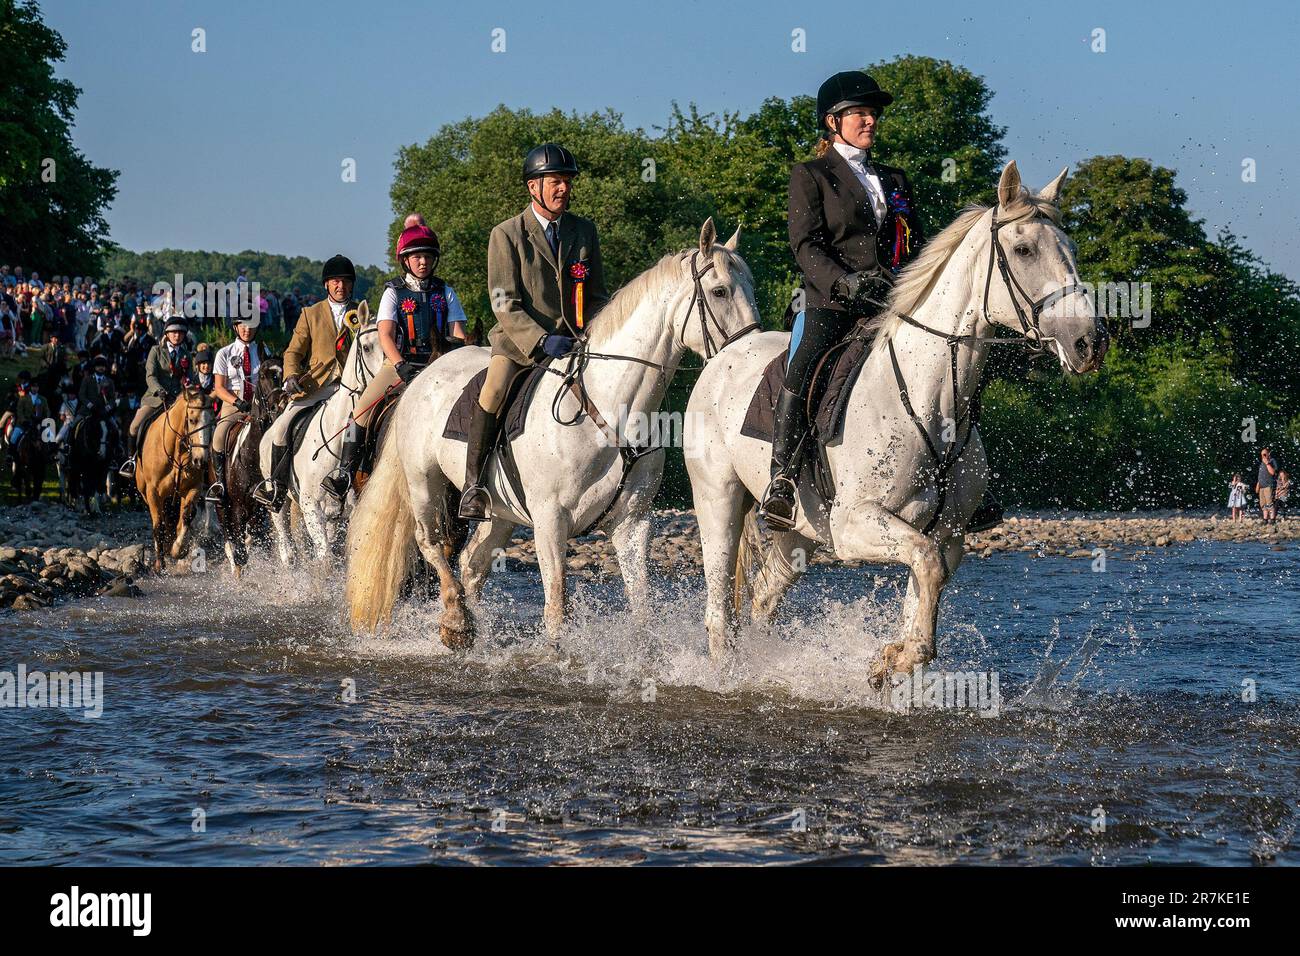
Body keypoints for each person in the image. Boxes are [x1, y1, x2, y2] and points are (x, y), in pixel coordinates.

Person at [761, 70, 926, 530]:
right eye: (859, 113)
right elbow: (805, 244)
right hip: (834, 302)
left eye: (872, 113)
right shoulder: (811, 175)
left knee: (950, 362)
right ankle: (782, 480)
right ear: (832, 122)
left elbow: (915, 245)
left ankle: (967, 477)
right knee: (805, 367)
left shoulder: (895, 178)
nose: (870, 120)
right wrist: (844, 283)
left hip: (893, 301)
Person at [458, 143, 610, 519]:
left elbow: (597, 295)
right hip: (518, 344)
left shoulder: (584, 232)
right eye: (555, 181)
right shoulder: (506, 234)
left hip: (575, 341)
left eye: (567, 181)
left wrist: (596, 331)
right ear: (533, 187)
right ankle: (474, 485)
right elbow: (503, 302)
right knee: (493, 390)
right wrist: (540, 339)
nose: (564, 189)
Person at [321, 215, 467, 501]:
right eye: (416, 257)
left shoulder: (446, 292)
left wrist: (455, 361)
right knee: (361, 410)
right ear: (405, 261)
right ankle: (345, 472)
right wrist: (400, 365)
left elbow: (458, 334)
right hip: (401, 364)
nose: (422, 262)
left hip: (440, 366)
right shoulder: (393, 292)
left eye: (426, 256)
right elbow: (385, 334)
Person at [253, 255, 359, 508]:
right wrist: (290, 375)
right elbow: (293, 352)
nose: (340, 286)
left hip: (352, 389)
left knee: (363, 428)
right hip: (317, 387)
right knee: (281, 428)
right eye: (335, 281)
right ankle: (277, 487)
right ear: (326, 285)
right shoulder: (310, 314)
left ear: (351, 285)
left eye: (345, 281)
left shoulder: (361, 313)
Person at [119, 319, 190, 478]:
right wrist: (160, 390)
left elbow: (189, 377)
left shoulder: (186, 354)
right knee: (135, 427)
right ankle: (131, 461)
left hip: (177, 400)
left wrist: (188, 385)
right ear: (167, 334)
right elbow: (150, 376)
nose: (177, 336)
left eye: (180, 333)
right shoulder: (156, 351)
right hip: (156, 398)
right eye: (174, 332)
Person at [207, 313, 266, 503]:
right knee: (218, 437)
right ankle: (220, 483)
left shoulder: (264, 350)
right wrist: (238, 402)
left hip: (260, 407)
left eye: (250, 325)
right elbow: (219, 387)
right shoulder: (224, 353)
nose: (247, 329)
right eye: (242, 325)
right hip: (234, 405)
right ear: (236, 327)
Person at [1256, 446, 1279, 525]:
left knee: (1269, 503)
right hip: (1261, 486)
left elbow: (1273, 472)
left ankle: (1272, 519)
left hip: (1268, 485)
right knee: (1263, 504)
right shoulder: (1261, 463)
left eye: (1265, 454)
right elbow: (1260, 475)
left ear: (1269, 454)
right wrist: (1258, 485)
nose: (1263, 456)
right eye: (1262, 455)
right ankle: (1265, 519)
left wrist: (1267, 463)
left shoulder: (1272, 461)